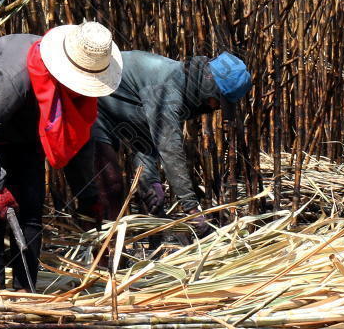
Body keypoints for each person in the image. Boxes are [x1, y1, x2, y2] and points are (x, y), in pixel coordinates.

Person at [0, 21, 123, 290]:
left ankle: (25, 292)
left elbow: (78, 142)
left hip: (24, 132)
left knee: (30, 210)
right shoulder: (18, 75)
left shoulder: (79, 94)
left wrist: (88, 197)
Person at [66, 51, 252, 228]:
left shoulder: (185, 92)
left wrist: (150, 181)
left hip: (111, 116)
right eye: (219, 100)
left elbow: (143, 137)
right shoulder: (168, 87)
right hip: (89, 106)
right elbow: (169, 148)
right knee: (108, 186)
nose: (217, 107)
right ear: (209, 84)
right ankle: (96, 252)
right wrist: (191, 209)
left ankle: (109, 253)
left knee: (112, 188)